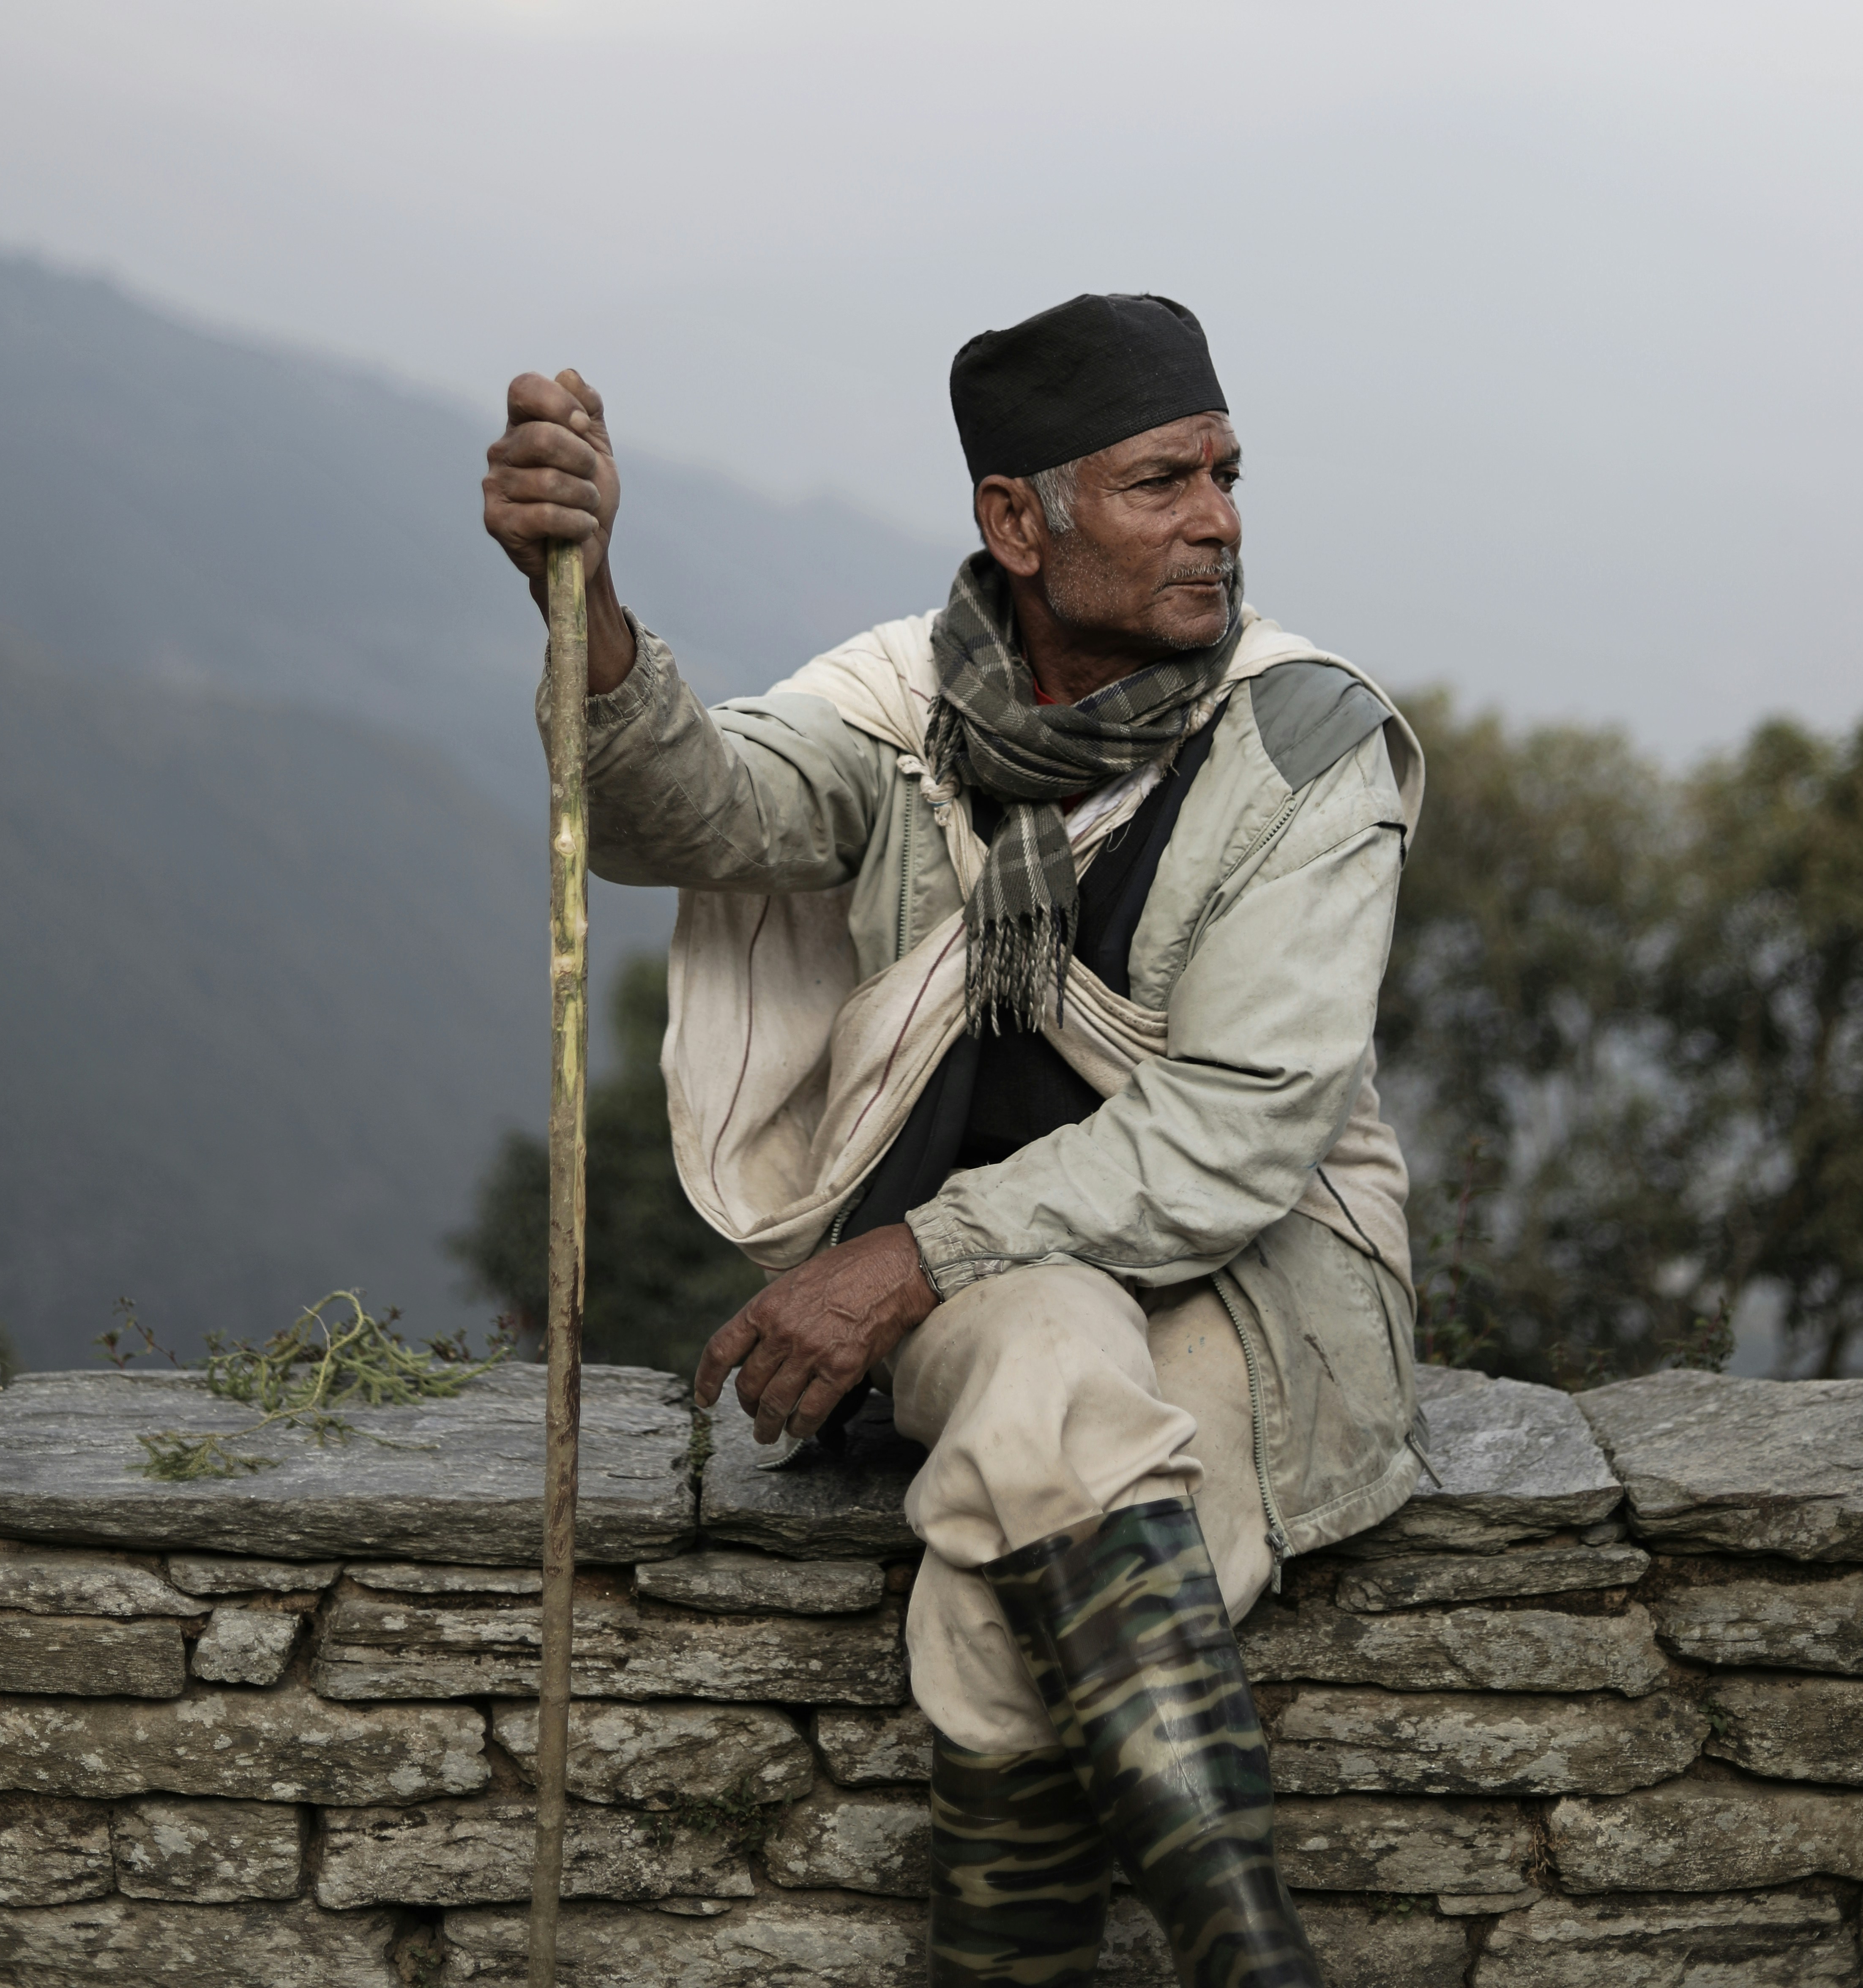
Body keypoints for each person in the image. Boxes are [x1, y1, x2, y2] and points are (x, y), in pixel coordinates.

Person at [482, 293, 1425, 1988]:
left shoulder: (1304, 747)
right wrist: (592, 605)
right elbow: (687, 809)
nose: (1216, 519)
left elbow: (1238, 1132)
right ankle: (1253, 1956)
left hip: (1253, 1286)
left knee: (995, 1572)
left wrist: (904, 1259)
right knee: (1050, 1345)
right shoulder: (906, 706)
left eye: (1223, 474)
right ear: (1015, 521)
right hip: (998, 1290)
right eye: (1159, 483)